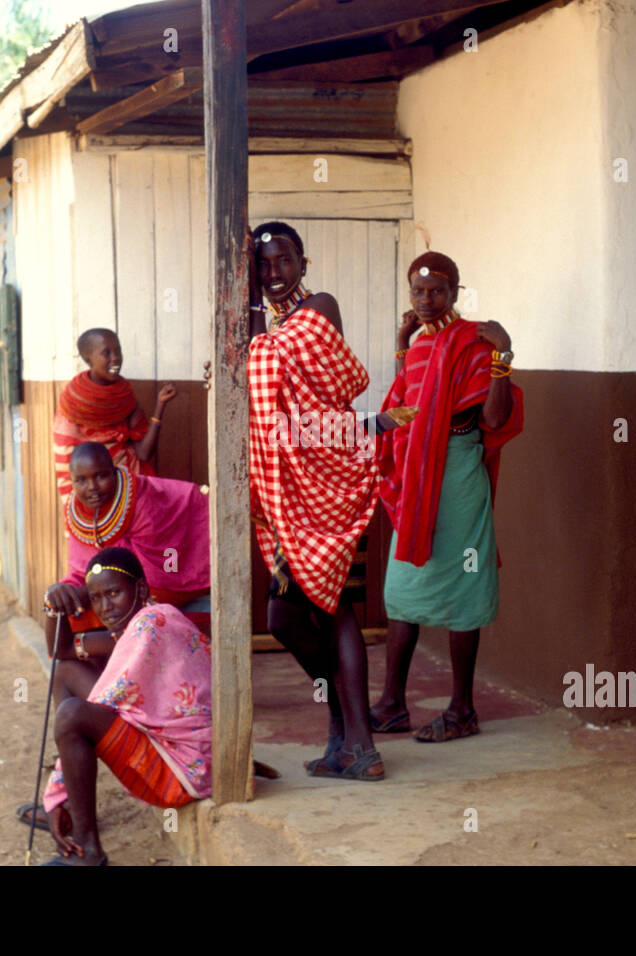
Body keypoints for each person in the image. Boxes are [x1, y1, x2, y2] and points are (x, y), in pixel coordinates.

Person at [246, 220, 398, 782]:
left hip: (330, 485)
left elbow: (263, 358)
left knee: (332, 610)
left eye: (284, 260)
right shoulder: (269, 328)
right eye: (262, 265)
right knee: (290, 616)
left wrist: (248, 310)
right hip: (289, 489)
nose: (274, 273)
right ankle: (346, 731)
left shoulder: (319, 308)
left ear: (303, 264)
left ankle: (359, 743)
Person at [370, 251, 524, 742]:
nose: (426, 299)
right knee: (402, 588)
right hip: (418, 476)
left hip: (457, 474)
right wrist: (401, 348)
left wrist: (503, 356)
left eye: (437, 290)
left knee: (464, 584)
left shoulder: (475, 342)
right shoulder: (418, 345)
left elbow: (495, 419)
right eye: (418, 291)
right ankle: (392, 704)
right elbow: (407, 408)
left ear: (455, 292)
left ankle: (462, 710)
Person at [39, 546, 211, 866]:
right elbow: (61, 653)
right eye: (96, 597)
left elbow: (96, 704)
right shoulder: (135, 626)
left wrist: (55, 790)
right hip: (181, 754)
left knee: (73, 715)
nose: (105, 607)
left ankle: (88, 850)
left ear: (141, 589)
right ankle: (73, 803)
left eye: (114, 593)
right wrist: (52, 606)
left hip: (184, 769)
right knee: (65, 673)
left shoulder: (150, 624)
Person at [40, 441, 211, 706]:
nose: (91, 487)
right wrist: (58, 596)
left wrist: (91, 592)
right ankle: (103, 697)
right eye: (81, 480)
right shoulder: (76, 511)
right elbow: (82, 570)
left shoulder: (143, 500)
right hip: (120, 587)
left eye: (100, 476)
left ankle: (110, 708)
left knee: (111, 614)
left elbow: (151, 574)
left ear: (114, 471)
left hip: (166, 577)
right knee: (71, 619)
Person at [52, 328, 176, 498]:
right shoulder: (74, 401)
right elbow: (66, 459)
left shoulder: (124, 394)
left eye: (118, 351)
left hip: (128, 483)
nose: (115, 358)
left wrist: (160, 405)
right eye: (106, 353)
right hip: (91, 492)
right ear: (88, 359)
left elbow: (143, 453)